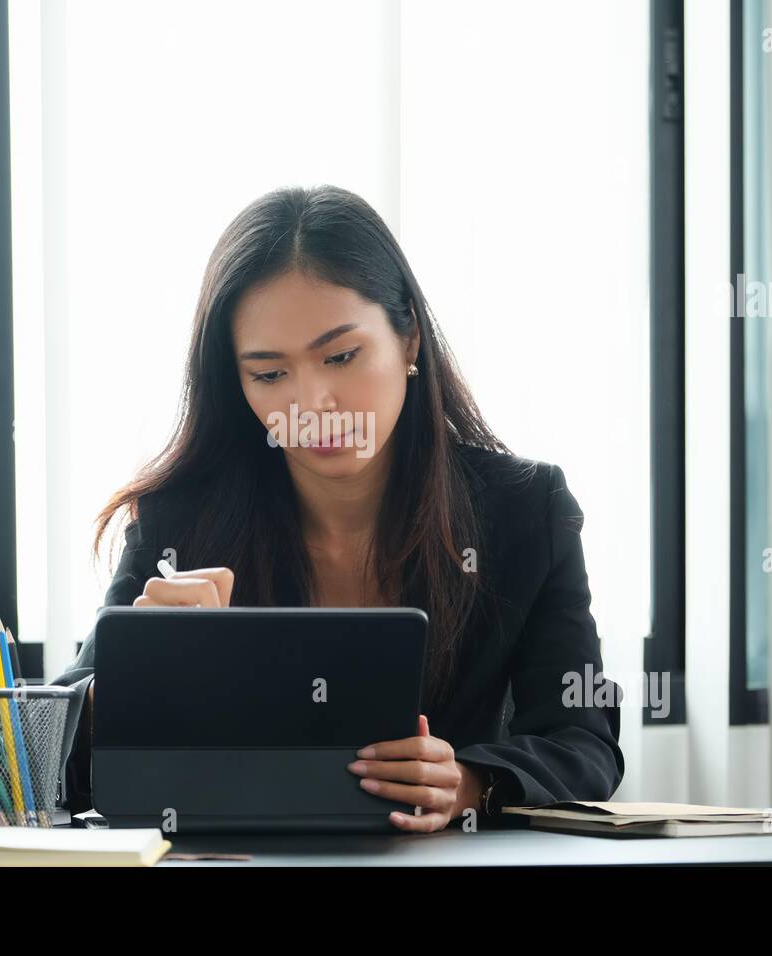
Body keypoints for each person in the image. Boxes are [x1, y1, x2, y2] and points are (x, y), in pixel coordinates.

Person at [50, 184, 624, 832]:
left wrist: (469, 782)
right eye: (270, 375)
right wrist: (127, 683)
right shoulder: (180, 521)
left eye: (341, 356)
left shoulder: (526, 513)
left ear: (408, 337)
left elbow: (584, 740)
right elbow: (52, 742)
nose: (311, 404)